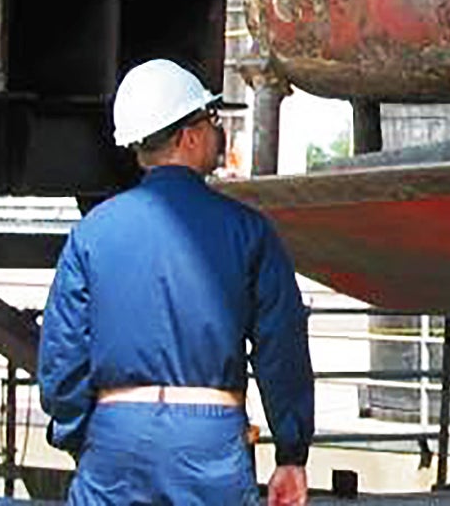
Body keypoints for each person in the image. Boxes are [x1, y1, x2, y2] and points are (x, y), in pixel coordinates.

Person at [39, 59, 315, 505]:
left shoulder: (92, 233)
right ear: (189, 136)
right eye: (211, 119)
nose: (218, 130)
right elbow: (281, 347)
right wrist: (291, 450)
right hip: (209, 441)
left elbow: (62, 354)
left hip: (115, 433)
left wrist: (79, 435)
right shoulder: (248, 231)